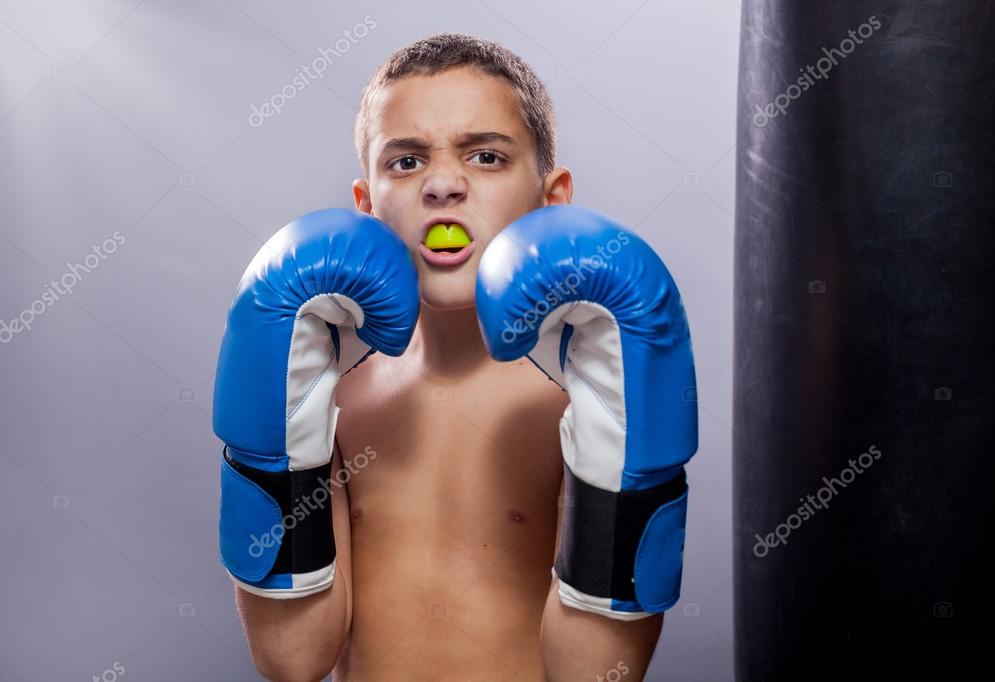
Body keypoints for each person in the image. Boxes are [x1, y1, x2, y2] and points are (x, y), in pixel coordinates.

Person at [216, 32, 696, 681]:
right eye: (406, 162)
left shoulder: (580, 411)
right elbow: (291, 661)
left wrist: (616, 465)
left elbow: (595, 675)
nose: (443, 185)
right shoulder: (328, 401)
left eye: (486, 156)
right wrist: (279, 446)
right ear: (365, 208)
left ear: (551, 199)